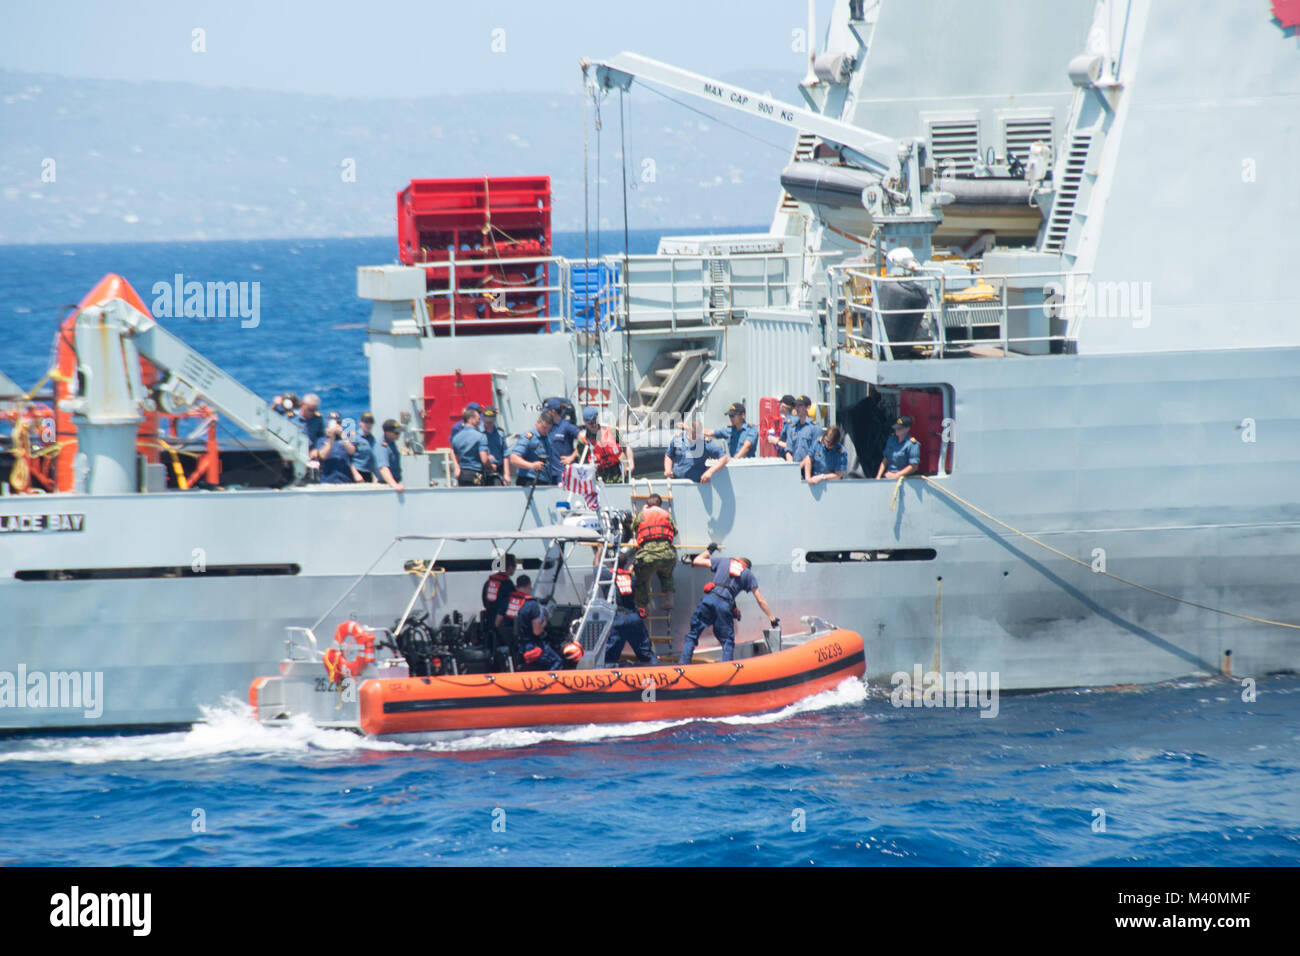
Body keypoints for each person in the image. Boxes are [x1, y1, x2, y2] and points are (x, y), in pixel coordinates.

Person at [678, 550, 778, 664]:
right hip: (724, 605)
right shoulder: (748, 574)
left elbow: (697, 561)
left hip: (708, 600)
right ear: (747, 567)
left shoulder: (724, 561)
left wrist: (708, 550)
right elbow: (760, 600)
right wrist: (772, 618)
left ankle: (683, 665)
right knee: (727, 641)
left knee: (693, 634)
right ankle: (726, 670)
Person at [601, 550, 659, 666]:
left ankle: (607, 676)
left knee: (610, 656)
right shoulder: (631, 578)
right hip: (634, 618)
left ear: (612, 563)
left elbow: (596, 566)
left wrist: (599, 550)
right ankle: (659, 673)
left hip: (618, 620)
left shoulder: (607, 576)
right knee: (645, 652)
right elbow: (626, 578)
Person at [630, 493, 677, 616]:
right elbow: (675, 531)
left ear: (648, 504)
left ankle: (642, 608)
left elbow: (633, 527)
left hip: (647, 556)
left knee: (640, 581)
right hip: (667, 555)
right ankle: (669, 601)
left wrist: (642, 511)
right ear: (660, 504)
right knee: (667, 576)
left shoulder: (642, 514)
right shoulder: (666, 514)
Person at [508, 575, 561, 671]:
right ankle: (548, 684)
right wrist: (544, 622)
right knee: (557, 661)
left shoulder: (510, 602)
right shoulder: (532, 605)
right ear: (529, 586)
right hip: (531, 646)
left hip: (517, 647)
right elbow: (537, 632)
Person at [664, 418, 729, 483]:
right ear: (688, 430)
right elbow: (668, 455)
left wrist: (710, 472)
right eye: (692, 433)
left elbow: (724, 458)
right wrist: (668, 469)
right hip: (676, 481)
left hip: (696, 484)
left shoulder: (705, 443)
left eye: (697, 434)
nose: (695, 436)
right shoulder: (678, 439)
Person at [574, 406, 625, 483]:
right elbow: (581, 461)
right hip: (598, 479)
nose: (593, 424)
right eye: (590, 423)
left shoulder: (612, 431)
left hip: (617, 475)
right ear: (584, 421)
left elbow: (626, 447)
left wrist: (629, 463)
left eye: (595, 421)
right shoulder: (583, 440)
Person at [509, 410, 556, 485]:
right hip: (529, 481)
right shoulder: (529, 437)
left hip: (544, 480)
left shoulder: (547, 438)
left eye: (549, 429)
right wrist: (532, 465)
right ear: (538, 422)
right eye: (544, 428)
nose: (546, 431)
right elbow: (514, 458)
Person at [543, 398, 580, 484]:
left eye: (546, 412)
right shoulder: (548, 427)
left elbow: (584, 440)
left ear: (552, 411)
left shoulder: (566, 426)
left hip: (563, 473)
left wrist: (572, 457)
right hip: (549, 474)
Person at [451, 407, 489, 486]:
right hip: (476, 473)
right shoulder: (481, 436)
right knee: (478, 496)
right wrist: (490, 463)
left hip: (462, 475)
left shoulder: (456, 437)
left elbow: (455, 454)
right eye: (478, 419)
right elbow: (484, 460)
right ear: (471, 419)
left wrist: (457, 467)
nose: (480, 421)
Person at [315, 412, 356, 484]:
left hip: (345, 479)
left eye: (338, 423)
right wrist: (331, 438)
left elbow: (352, 451)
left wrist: (343, 436)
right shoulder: (321, 440)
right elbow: (322, 456)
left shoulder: (347, 439)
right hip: (327, 479)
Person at [877, 415, 922, 479]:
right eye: (896, 428)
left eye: (899, 428)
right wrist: (878, 476)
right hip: (888, 476)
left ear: (907, 428)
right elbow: (885, 459)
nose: (896, 430)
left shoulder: (912, 444)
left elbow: (914, 466)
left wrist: (897, 475)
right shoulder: (891, 440)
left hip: (904, 479)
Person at [781, 395, 822, 464]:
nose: (797, 408)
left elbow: (815, 452)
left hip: (809, 470)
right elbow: (788, 449)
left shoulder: (815, 427)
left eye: (800, 405)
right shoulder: (792, 427)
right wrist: (791, 465)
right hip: (794, 467)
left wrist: (800, 466)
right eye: (796, 405)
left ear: (808, 408)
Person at [482, 553, 518, 626]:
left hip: (489, 620)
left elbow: (484, 599)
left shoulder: (489, 581)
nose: (515, 569)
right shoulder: (507, 584)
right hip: (502, 624)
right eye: (515, 567)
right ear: (510, 567)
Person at [480, 407, 509, 485]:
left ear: (495, 418)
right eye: (487, 419)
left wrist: (507, 474)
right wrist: (486, 459)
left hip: (497, 470)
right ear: (483, 418)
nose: (489, 422)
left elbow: (505, 454)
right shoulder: (478, 433)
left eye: (491, 419)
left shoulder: (500, 433)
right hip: (482, 470)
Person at [374, 418, 405, 491]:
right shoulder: (382, 446)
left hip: (393, 482)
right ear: (387, 433)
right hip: (387, 484)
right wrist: (394, 485)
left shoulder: (391, 443)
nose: (399, 435)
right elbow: (383, 468)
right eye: (396, 433)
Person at [351, 412, 377, 482]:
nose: (368, 425)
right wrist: (355, 474)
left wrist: (377, 475)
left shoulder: (372, 439)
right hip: (356, 473)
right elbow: (348, 458)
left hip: (368, 473)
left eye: (370, 422)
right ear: (360, 423)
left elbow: (372, 459)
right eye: (366, 422)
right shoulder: (354, 437)